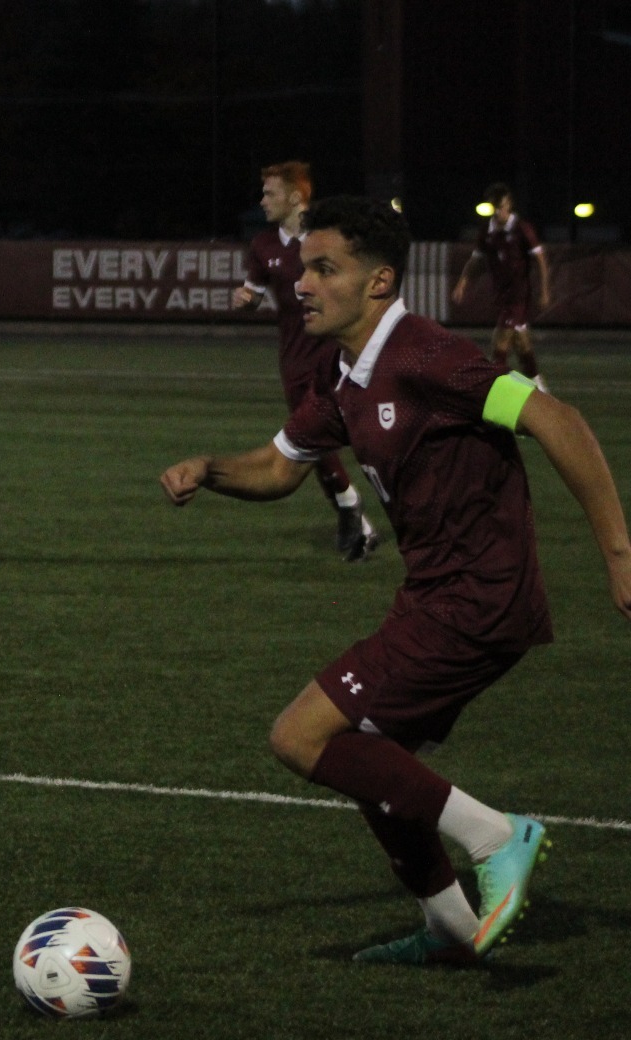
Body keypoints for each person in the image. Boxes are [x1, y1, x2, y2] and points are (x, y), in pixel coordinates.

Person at [162, 195, 631, 965]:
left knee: (301, 733)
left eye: (324, 268)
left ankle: (497, 834)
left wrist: (619, 555)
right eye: (303, 267)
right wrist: (209, 469)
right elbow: (281, 465)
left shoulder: (424, 355)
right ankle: (450, 926)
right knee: (376, 759)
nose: (302, 284)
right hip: (440, 595)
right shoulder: (348, 377)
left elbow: (559, 420)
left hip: (477, 597)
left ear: (378, 282)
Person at [231, 161, 379, 561]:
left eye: (270, 193)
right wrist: (244, 301)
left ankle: (353, 510)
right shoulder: (263, 246)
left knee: (329, 435)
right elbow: (254, 292)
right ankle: (356, 516)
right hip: (295, 360)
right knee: (313, 437)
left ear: (296, 197)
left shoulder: (324, 239)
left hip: (337, 352)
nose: (262, 201)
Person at [450, 183, 553, 390]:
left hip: (518, 296)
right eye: (495, 207)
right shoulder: (487, 231)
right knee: (522, 345)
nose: (499, 212)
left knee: (500, 344)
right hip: (502, 296)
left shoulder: (521, 228)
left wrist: (544, 290)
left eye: (502, 207)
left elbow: (540, 259)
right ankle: (539, 387)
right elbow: (475, 260)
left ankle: (495, 388)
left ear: (509, 206)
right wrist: (462, 282)